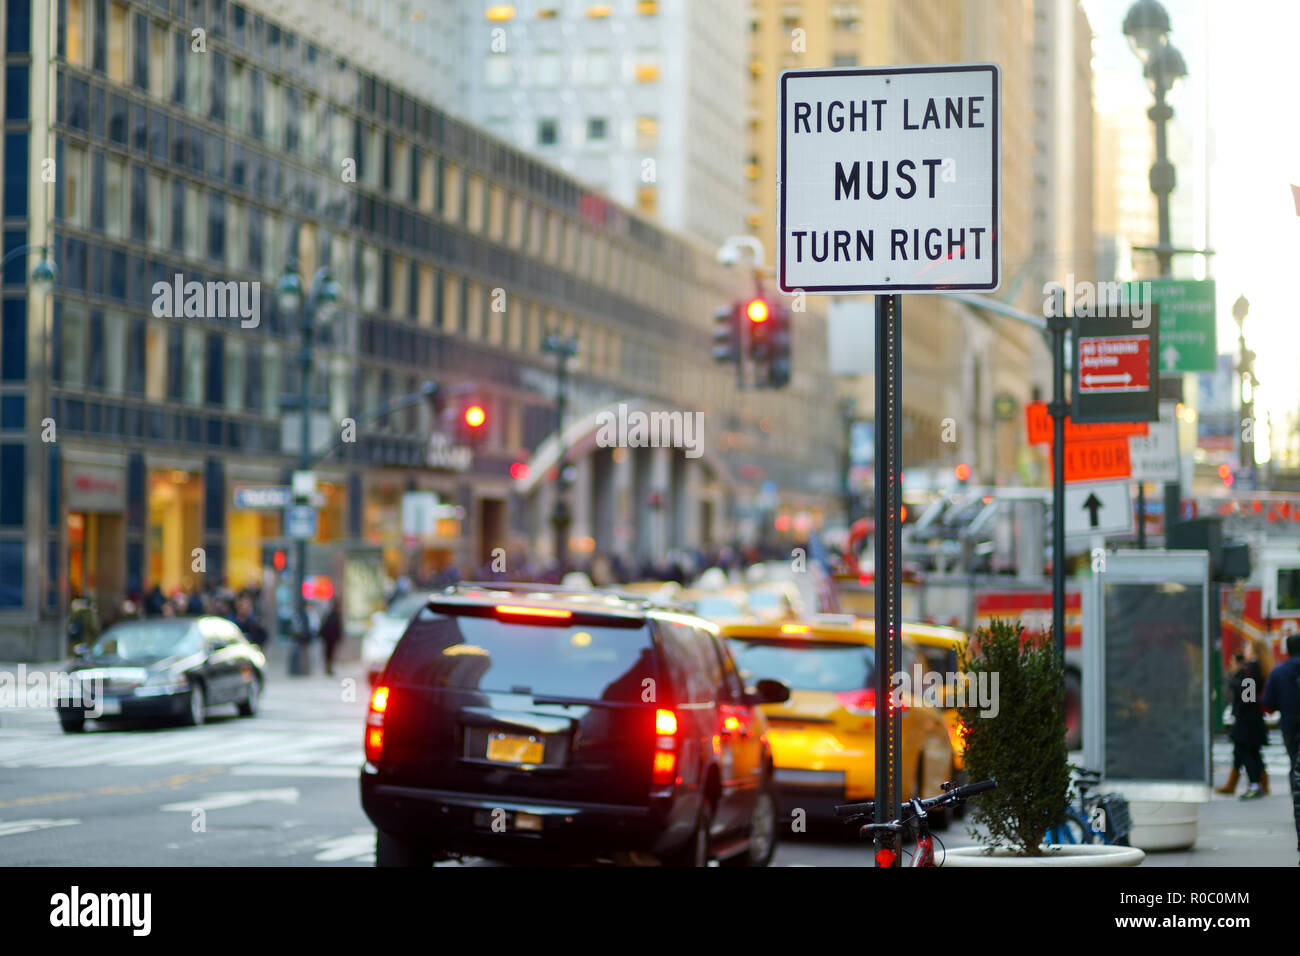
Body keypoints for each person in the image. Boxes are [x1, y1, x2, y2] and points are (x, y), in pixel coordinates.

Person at [1262, 633, 1300, 855]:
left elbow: (1267, 703)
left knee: (1294, 764)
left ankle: (1296, 806)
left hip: (1290, 727)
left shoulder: (1276, 672)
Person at [1217, 644, 1268, 798]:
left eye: (1247, 648)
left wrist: (1234, 682)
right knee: (1247, 752)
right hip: (1251, 718)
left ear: (1253, 651)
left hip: (1247, 719)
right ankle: (1257, 785)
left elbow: (1248, 696)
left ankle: (1255, 785)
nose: (1244, 650)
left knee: (1248, 752)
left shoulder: (1250, 669)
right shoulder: (1256, 667)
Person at [319, 598, 343, 677]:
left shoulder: (331, 614)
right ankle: (328, 668)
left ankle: (328, 668)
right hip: (330, 638)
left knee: (329, 653)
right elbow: (337, 627)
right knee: (329, 653)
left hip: (329, 638)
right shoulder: (333, 615)